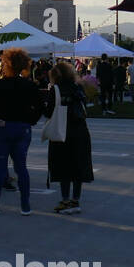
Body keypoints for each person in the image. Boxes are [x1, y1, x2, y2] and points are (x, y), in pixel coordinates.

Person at [0, 47, 43, 215]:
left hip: (1, 129)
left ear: (6, 64)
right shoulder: (29, 86)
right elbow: (40, 107)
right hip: (23, 129)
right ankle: (25, 205)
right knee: (21, 167)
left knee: (0, 168)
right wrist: (30, 121)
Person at [44, 61, 94, 214]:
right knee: (78, 167)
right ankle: (75, 200)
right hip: (80, 131)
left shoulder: (55, 89)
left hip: (62, 131)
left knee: (63, 167)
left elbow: (48, 112)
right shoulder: (78, 87)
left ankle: (65, 200)